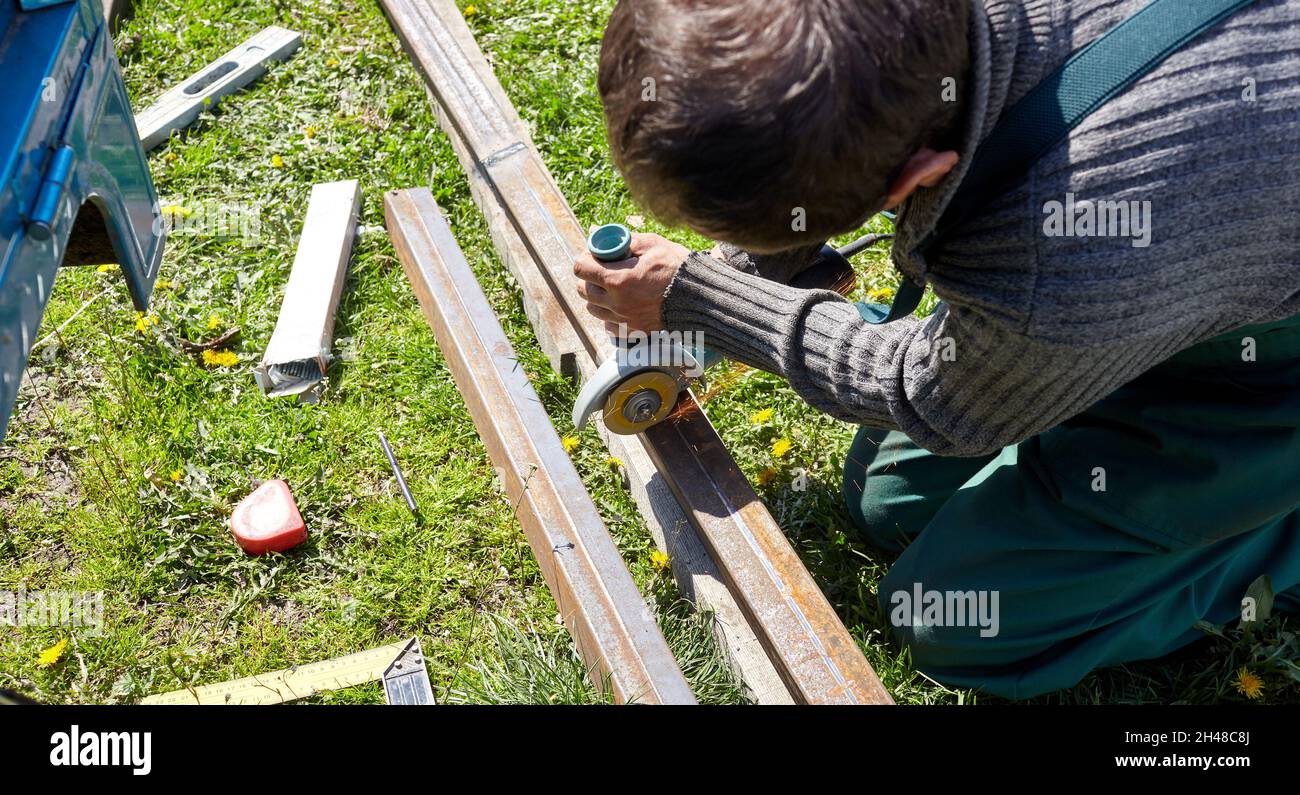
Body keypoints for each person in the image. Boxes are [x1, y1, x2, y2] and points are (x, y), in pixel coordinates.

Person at [572, 0, 1300, 699]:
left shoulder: (1066, 257)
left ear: (917, 175)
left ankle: (1270, 540)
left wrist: (704, 301)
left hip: (1260, 380)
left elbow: (930, 399)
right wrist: (751, 266)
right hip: (1188, 268)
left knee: (947, 616)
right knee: (887, 502)